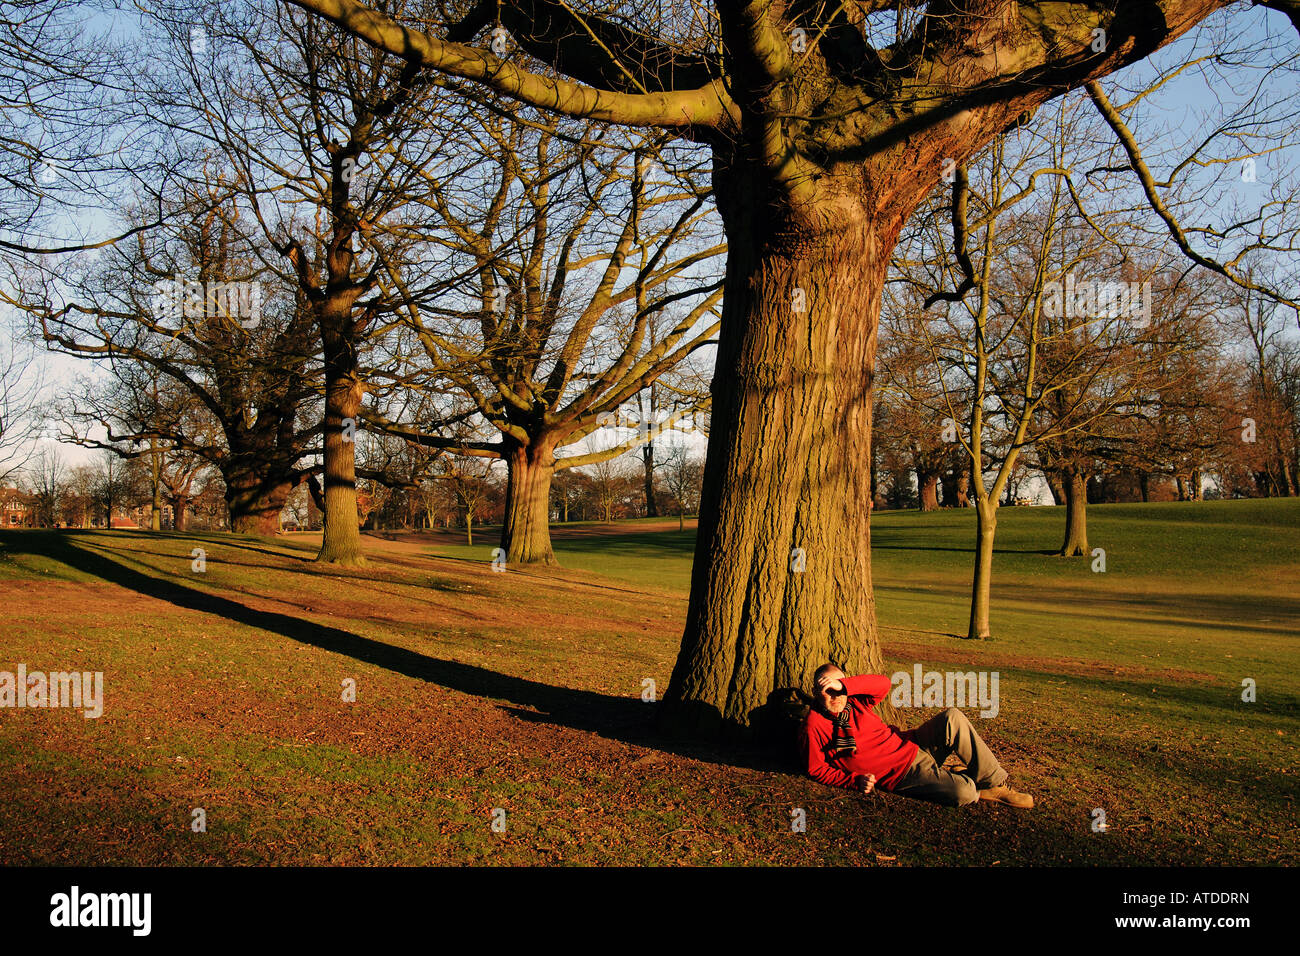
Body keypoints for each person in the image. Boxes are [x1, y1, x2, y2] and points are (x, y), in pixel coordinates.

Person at [802, 662, 1033, 808]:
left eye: (839, 689)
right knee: (965, 792)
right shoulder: (814, 724)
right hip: (903, 773)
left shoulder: (854, 702)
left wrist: (845, 685)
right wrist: (853, 781)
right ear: (816, 692)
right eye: (828, 691)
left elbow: (883, 684)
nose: (836, 696)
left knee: (952, 717)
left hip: (911, 742)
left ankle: (996, 784)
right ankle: (976, 786)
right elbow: (816, 769)